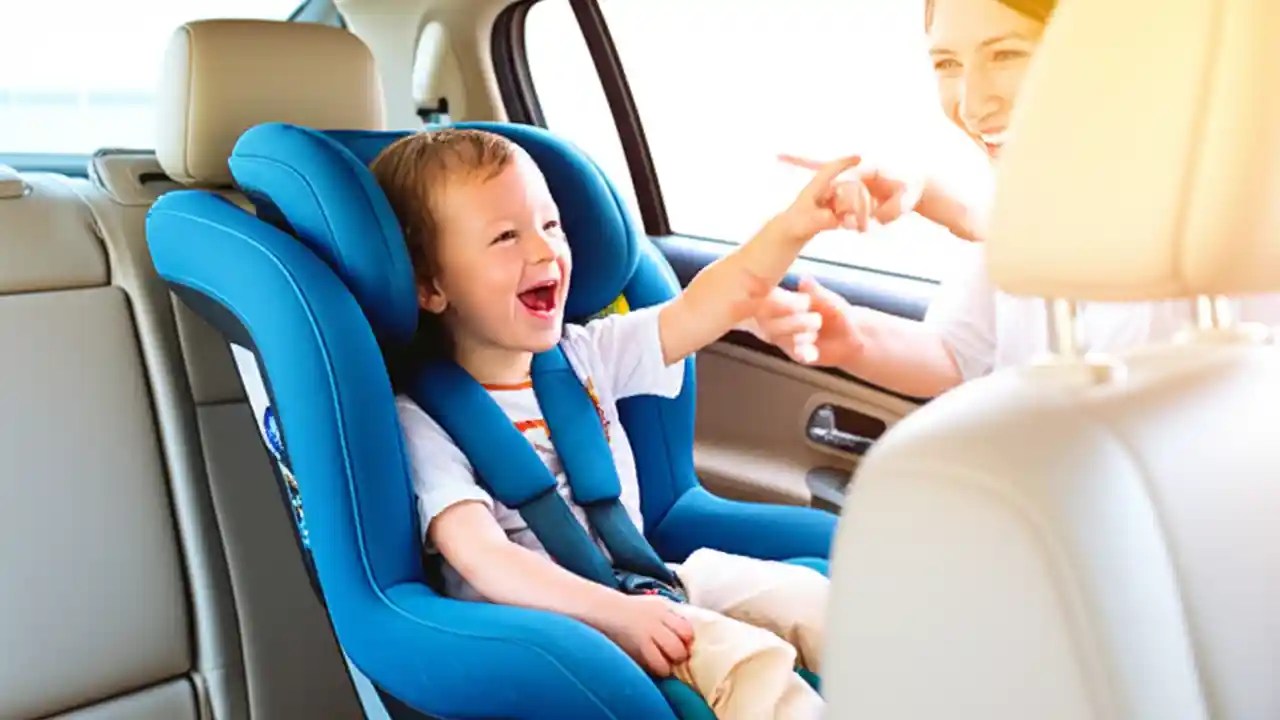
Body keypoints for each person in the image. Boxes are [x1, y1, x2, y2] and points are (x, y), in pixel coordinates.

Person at [371, 128, 871, 718]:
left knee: (816, 600)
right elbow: (485, 559)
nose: (543, 250)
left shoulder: (584, 354)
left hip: (645, 579)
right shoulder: (422, 421)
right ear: (432, 286)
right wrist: (618, 616)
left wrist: (795, 225)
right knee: (747, 663)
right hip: (557, 631)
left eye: (551, 225)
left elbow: (711, 302)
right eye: (506, 236)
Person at [744, 0, 1280, 398]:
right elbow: (964, 355)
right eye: (947, 64)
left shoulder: (1226, 225)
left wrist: (942, 198)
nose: (973, 105)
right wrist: (852, 337)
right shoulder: (1036, 199)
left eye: (1005, 54)